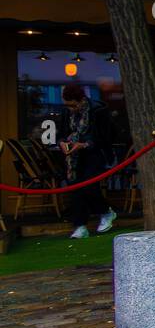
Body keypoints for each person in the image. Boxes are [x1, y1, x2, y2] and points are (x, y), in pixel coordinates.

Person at [58, 83, 116, 239]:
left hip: (94, 154)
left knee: (89, 186)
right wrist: (62, 142)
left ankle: (105, 212)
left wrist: (84, 144)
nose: (70, 109)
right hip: (73, 157)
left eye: (72, 105)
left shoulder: (98, 110)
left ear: (81, 100)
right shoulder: (66, 112)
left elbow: (106, 137)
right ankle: (80, 226)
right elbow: (62, 133)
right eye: (67, 106)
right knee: (75, 189)